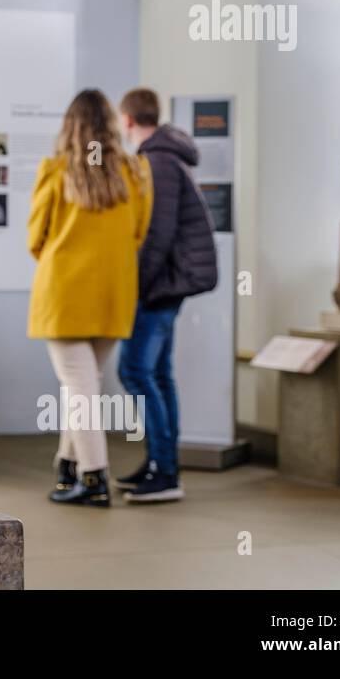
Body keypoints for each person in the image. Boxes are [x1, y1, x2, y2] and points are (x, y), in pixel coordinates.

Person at [28, 89, 152, 508]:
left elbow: (35, 237)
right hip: (112, 295)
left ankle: (95, 478)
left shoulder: (56, 171)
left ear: (71, 127)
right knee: (81, 386)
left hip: (64, 295)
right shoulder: (136, 174)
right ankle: (66, 464)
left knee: (80, 388)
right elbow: (139, 234)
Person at [114, 88, 218, 503]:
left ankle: (165, 471)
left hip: (161, 284)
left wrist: (136, 283)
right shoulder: (169, 156)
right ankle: (161, 464)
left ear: (127, 121)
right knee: (157, 373)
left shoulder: (155, 161)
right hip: (172, 281)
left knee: (135, 371)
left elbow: (156, 233)